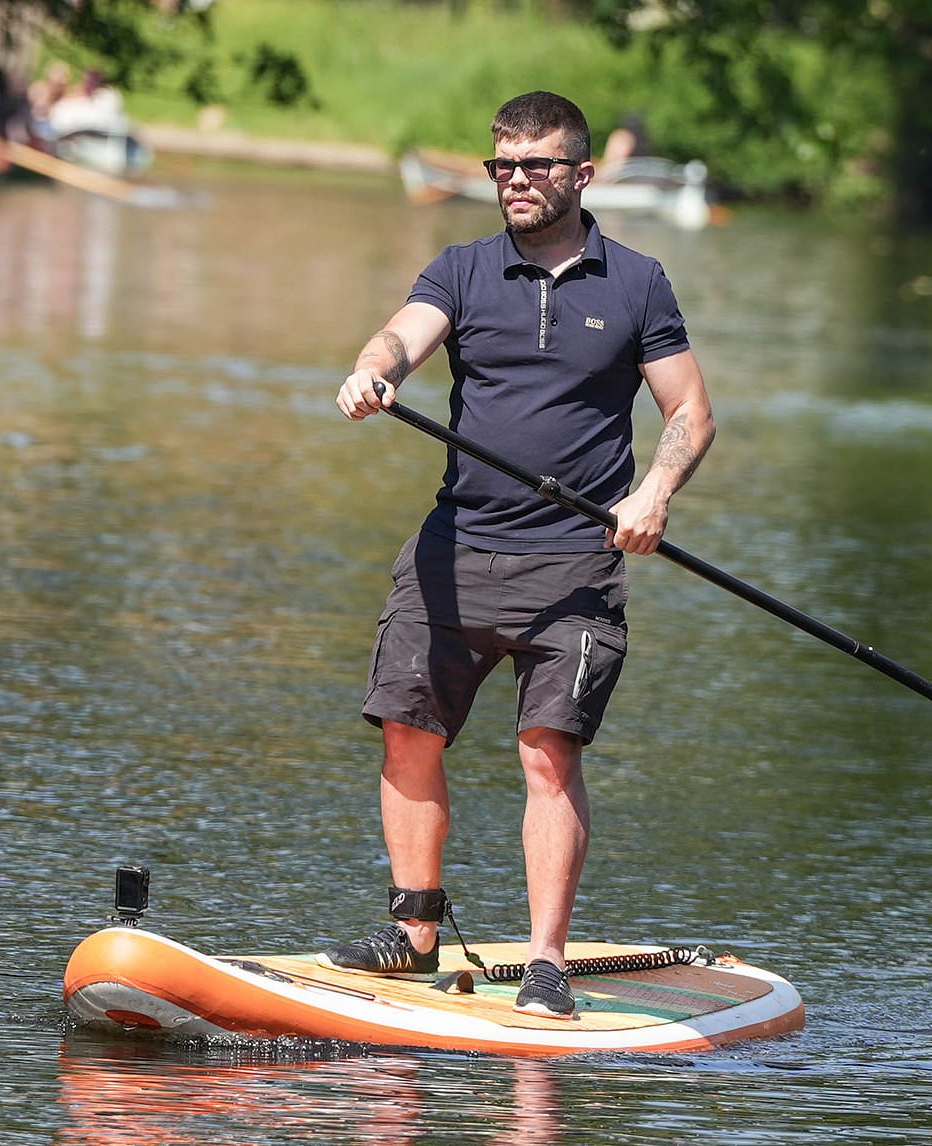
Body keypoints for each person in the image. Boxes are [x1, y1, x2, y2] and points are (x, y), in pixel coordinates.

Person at [324, 91, 716, 1020]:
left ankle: (545, 963)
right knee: (408, 730)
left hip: (574, 565)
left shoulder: (638, 283)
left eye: (535, 166)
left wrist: (652, 493)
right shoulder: (462, 269)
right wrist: (374, 369)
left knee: (547, 753)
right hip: (454, 550)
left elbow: (690, 413)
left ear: (582, 175)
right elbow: (403, 335)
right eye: (502, 166)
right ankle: (413, 933)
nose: (514, 182)